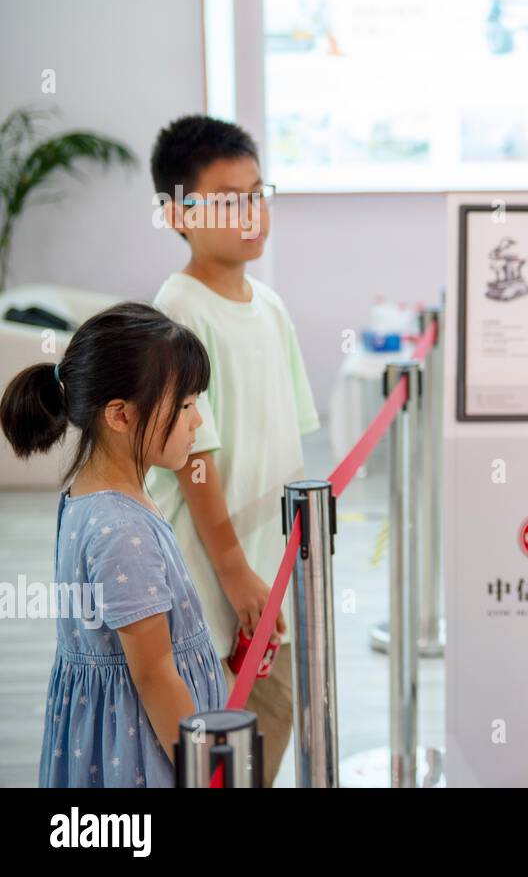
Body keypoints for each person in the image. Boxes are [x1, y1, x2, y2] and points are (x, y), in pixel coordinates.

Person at [147, 115, 319, 786]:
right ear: (174, 213)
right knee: (216, 732)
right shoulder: (179, 307)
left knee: (270, 724)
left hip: (270, 571)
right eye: (226, 196)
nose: (249, 210)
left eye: (256, 191)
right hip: (213, 573)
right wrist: (233, 568)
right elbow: (196, 457)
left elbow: (286, 444)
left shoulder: (270, 307)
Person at [0, 302, 223, 786]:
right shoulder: (121, 529)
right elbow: (155, 675)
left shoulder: (97, 494)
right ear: (121, 415)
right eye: (185, 406)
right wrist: (205, 771)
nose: (197, 421)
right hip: (146, 749)